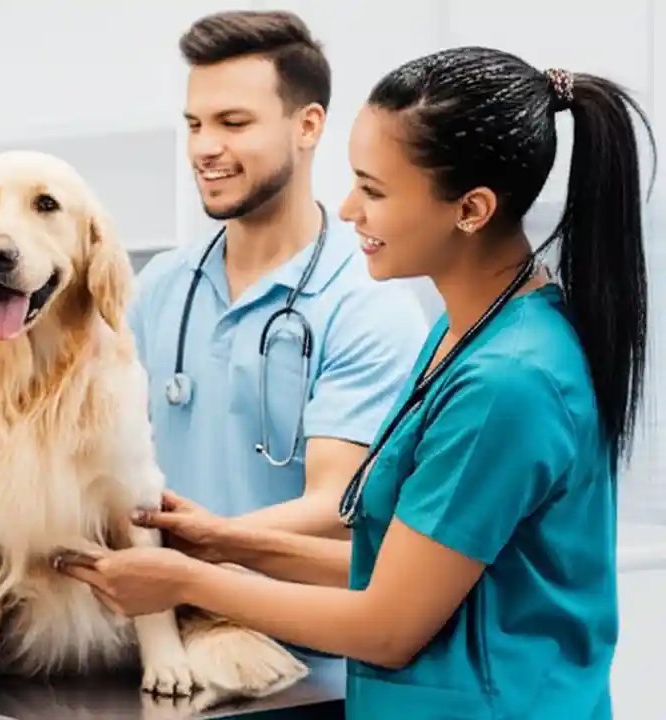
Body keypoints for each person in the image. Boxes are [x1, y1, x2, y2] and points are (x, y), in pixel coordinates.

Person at [60, 45, 655, 719]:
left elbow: (388, 627)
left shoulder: (508, 383)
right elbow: (397, 565)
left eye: (373, 190)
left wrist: (187, 581)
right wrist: (225, 540)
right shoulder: (466, 332)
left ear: (472, 209)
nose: (347, 210)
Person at [129, 10, 429, 536]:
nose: (203, 148)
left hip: (279, 614)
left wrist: (203, 548)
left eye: (233, 123)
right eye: (195, 125)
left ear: (307, 126)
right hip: (157, 610)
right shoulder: (159, 287)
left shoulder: (366, 301)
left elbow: (337, 505)